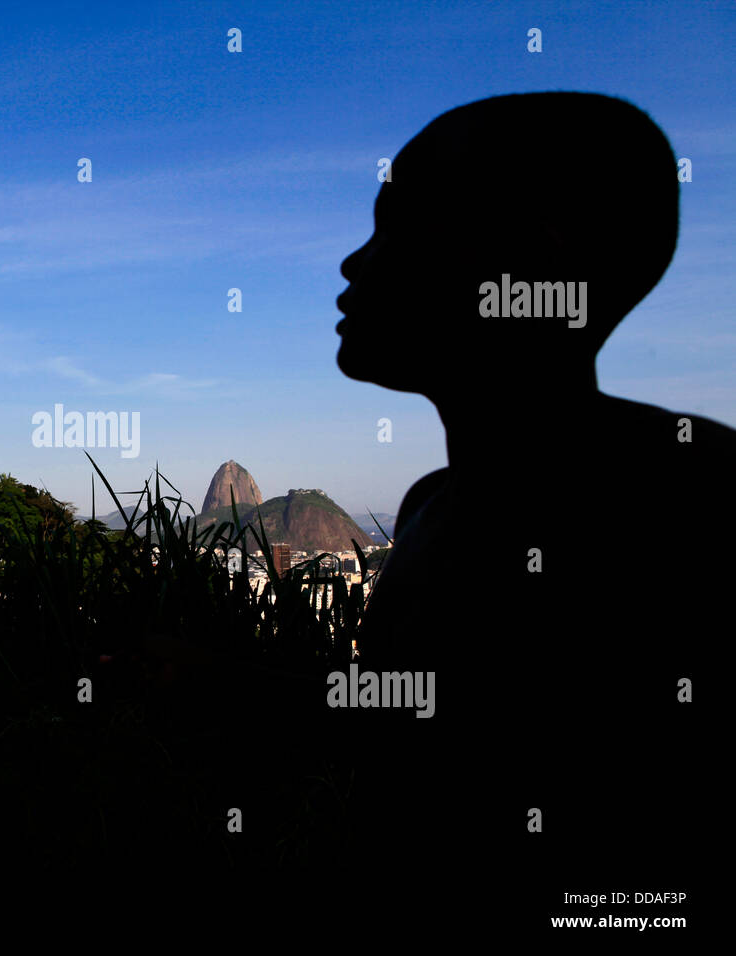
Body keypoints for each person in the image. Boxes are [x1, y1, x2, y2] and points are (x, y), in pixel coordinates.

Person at [334, 92, 729, 906]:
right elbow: (431, 734)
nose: (352, 263)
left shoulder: (693, 498)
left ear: (531, 261)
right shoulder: (430, 502)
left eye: (395, 224)